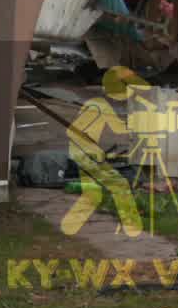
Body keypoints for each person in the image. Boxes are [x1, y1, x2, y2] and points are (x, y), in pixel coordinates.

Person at [62, 66, 148, 238]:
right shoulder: (98, 105)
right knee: (120, 184)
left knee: (94, 191)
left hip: (86, 154)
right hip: (84, 155)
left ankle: (71, 226)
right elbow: (73, 131)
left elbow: (117, 127)